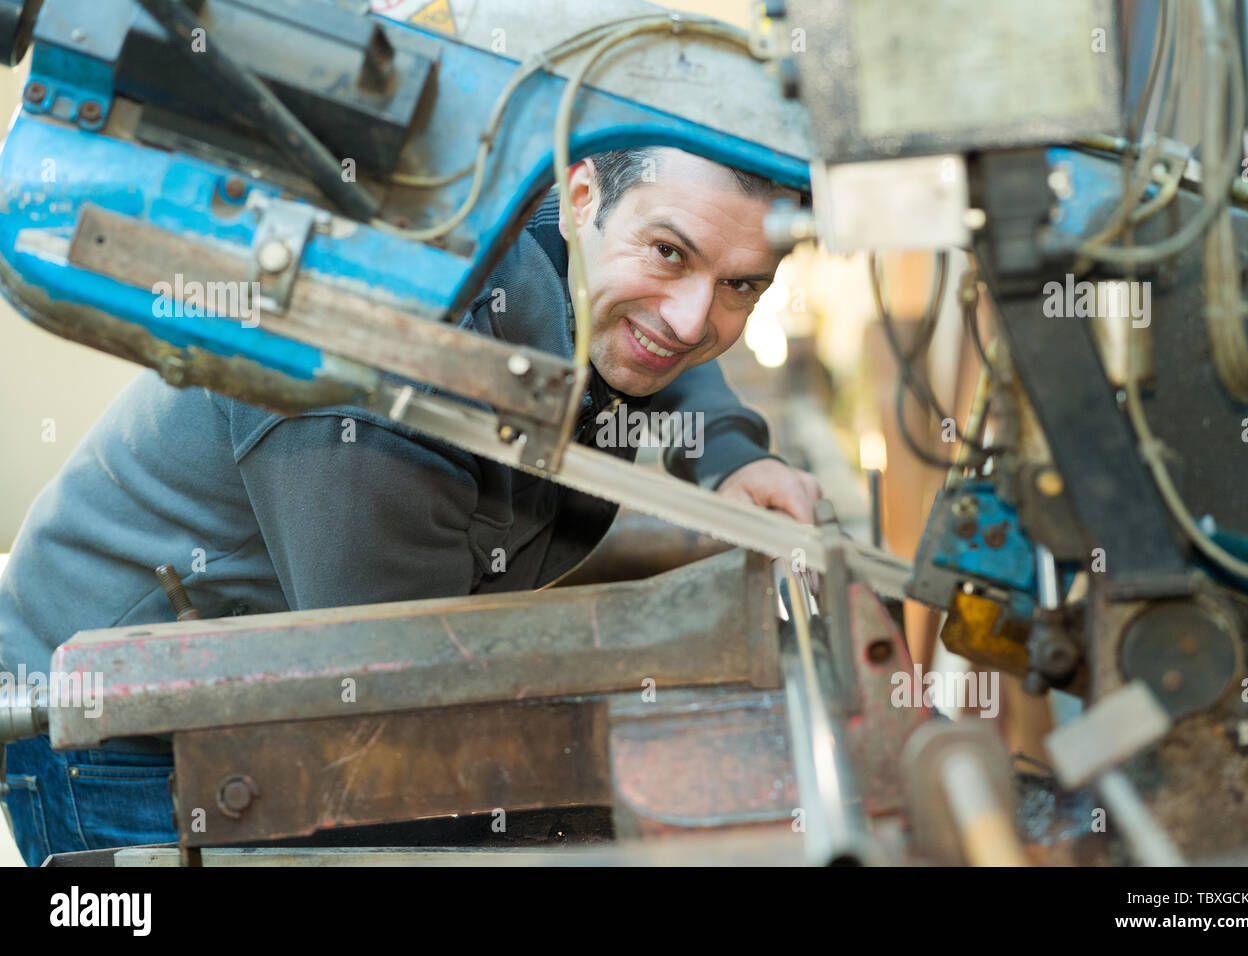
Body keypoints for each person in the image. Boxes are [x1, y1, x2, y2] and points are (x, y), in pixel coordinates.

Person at [0, 145, 821, 865]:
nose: (692, 319)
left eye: (742, 285)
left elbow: (673, 338)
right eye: (670, 254)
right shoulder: (378, 390)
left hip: (314, 672)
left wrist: (731, 454)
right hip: (114, 741)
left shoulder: (588, 246)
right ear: (582, 201)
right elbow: (399, 698)